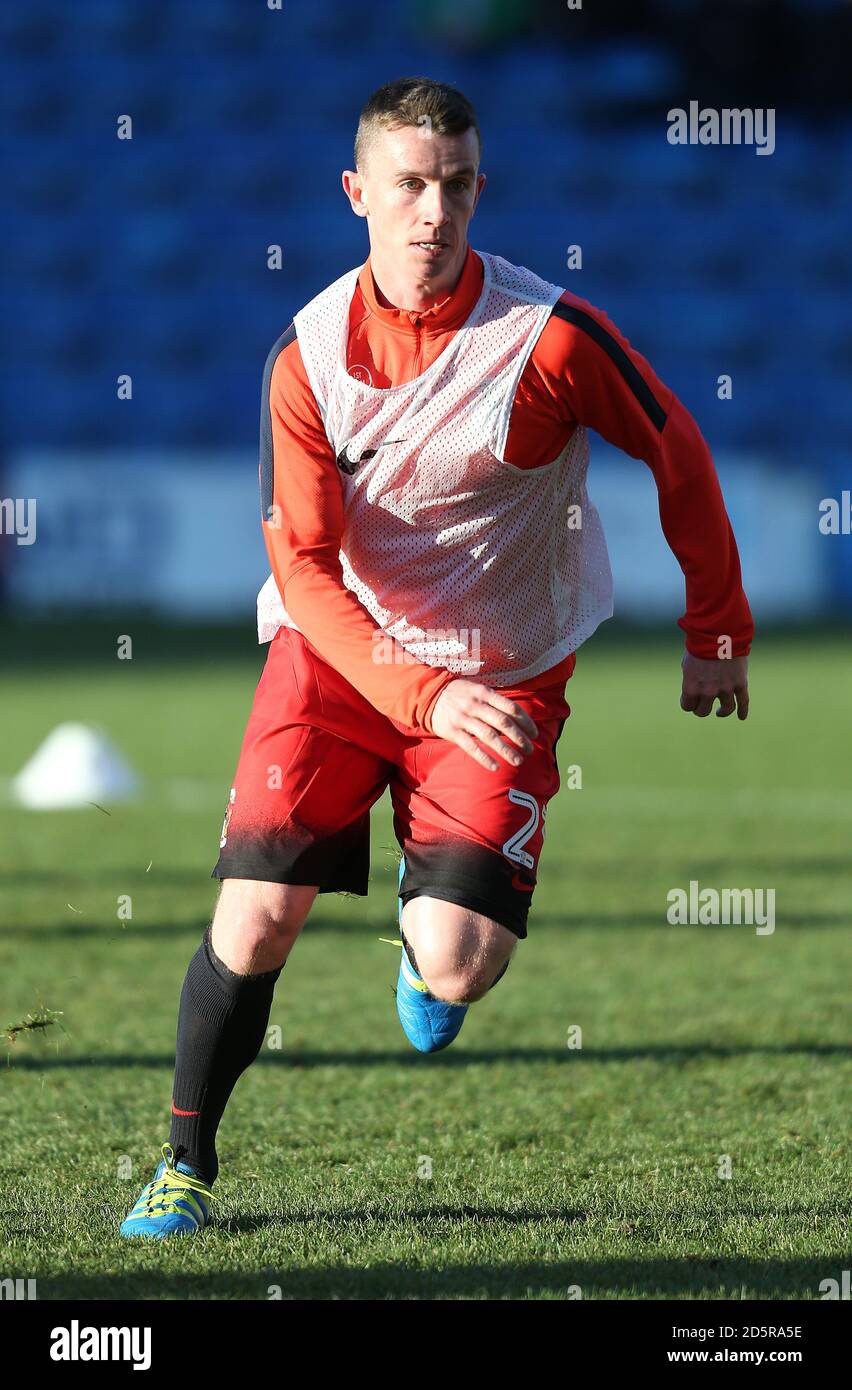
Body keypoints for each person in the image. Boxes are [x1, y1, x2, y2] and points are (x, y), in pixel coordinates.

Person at [120, 77, 752, 1238]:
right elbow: (304, 568)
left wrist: (716, 628)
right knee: (256, 918)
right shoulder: (307, 356)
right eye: (410, 184)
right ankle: (184, 1163)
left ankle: (424, 951)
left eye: (457, 184)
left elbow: (677, 447)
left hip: (504, 670)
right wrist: (421, 690)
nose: (434, 211)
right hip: (340, 661)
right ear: (359, 191)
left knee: (459, 965)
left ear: (478, 189)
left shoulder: (550, 338)